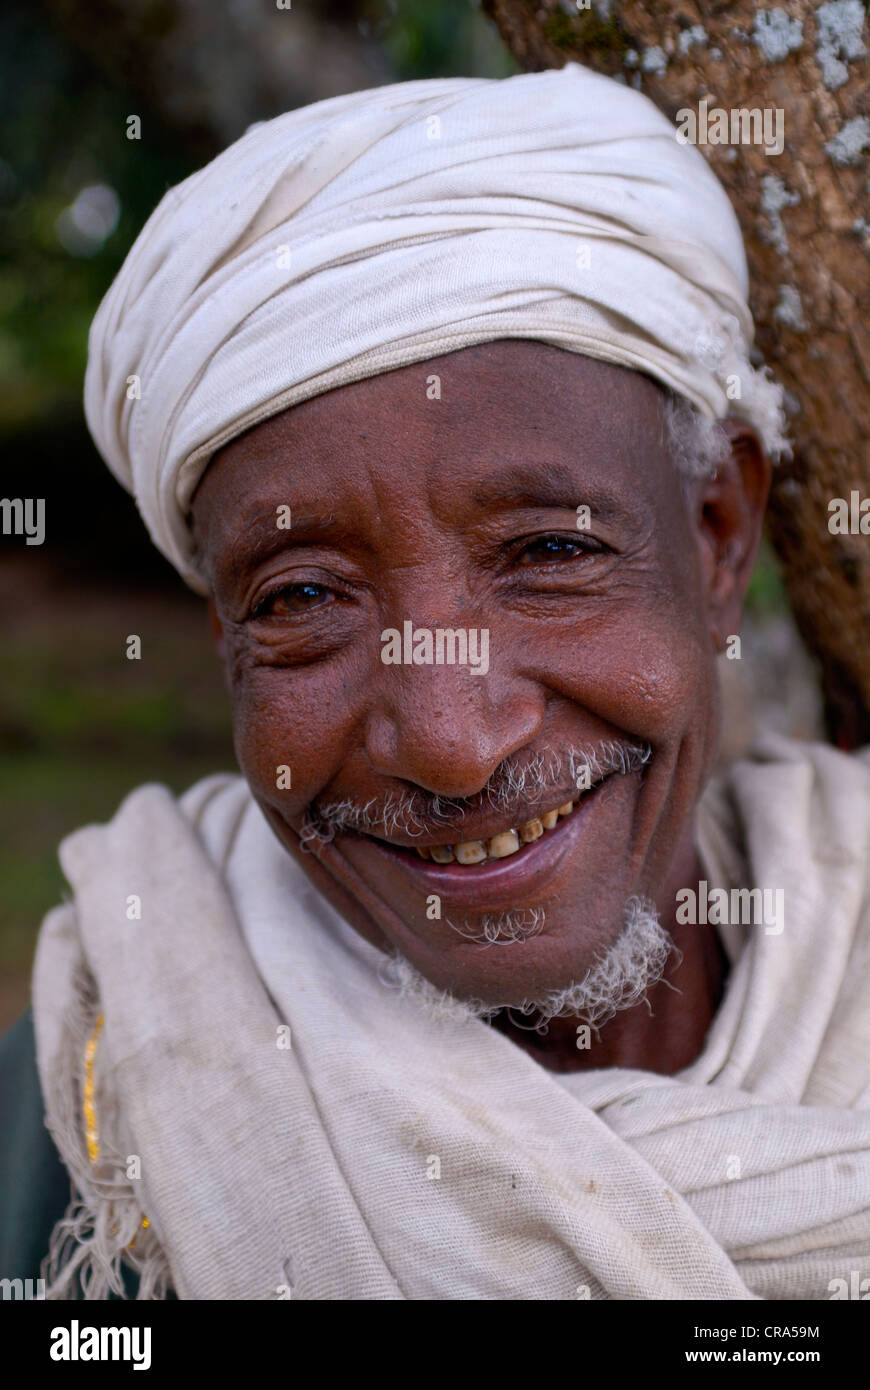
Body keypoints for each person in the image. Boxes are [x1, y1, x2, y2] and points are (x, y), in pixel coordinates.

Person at [2, 63, 869, 1301]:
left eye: (551, 552)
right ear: (225, 639)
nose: (453, 744)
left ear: (721, 532)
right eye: (301, 598)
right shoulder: (77, 1129)